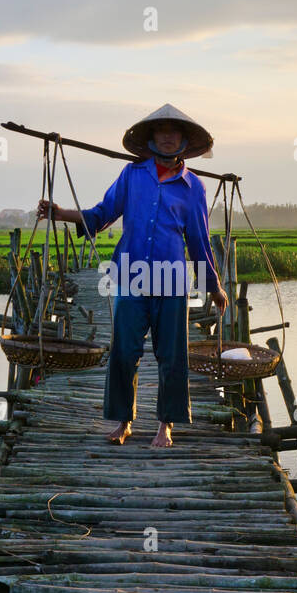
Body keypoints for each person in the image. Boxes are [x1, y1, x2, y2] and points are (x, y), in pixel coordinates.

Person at [38, 104, 229, 447]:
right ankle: (123, 421)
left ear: (184, 140)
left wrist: (213, 286)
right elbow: (103, 213)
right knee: (124, 351)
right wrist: (61, 213)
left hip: (171, 281)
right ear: (152, 137)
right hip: (131, 276)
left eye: (175, 132)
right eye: (162, 131)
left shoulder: (193, 187)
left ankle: (165, 426)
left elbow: (198, 240)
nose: (169, 138)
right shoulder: (132, 175)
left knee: (172, 355)